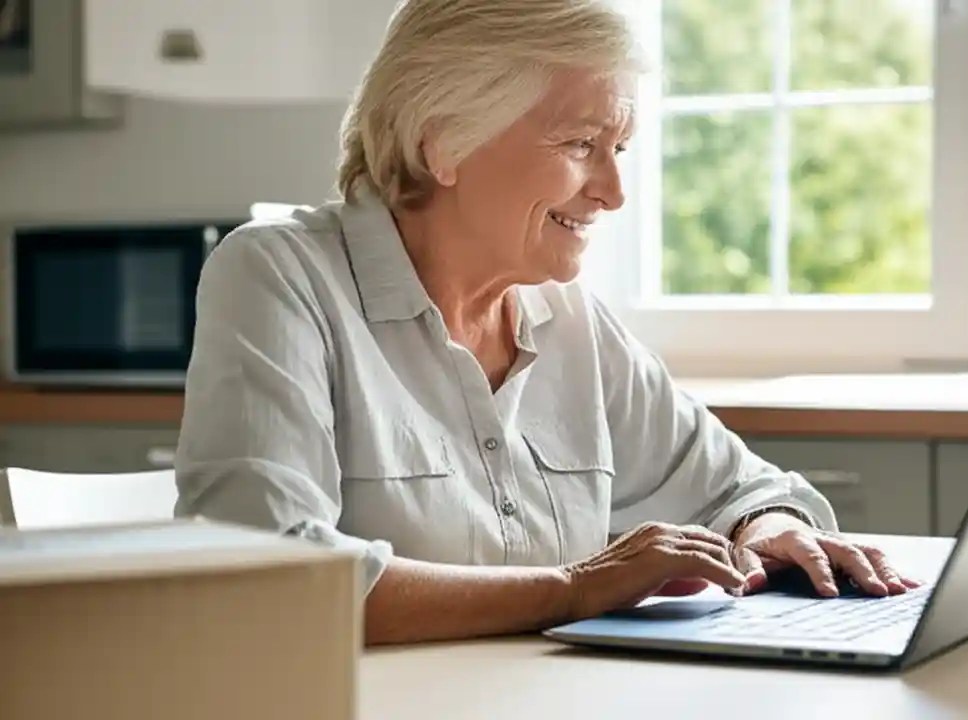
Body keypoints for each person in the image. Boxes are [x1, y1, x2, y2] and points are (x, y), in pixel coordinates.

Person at [175, 0, 917, 646]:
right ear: (443, 142)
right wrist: (571, 588)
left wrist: (766, 529)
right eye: (580, 144)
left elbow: (738, 486)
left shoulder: (566, 319)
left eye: (619, 147)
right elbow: (268, 576)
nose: (614, 191)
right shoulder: (279, 275)